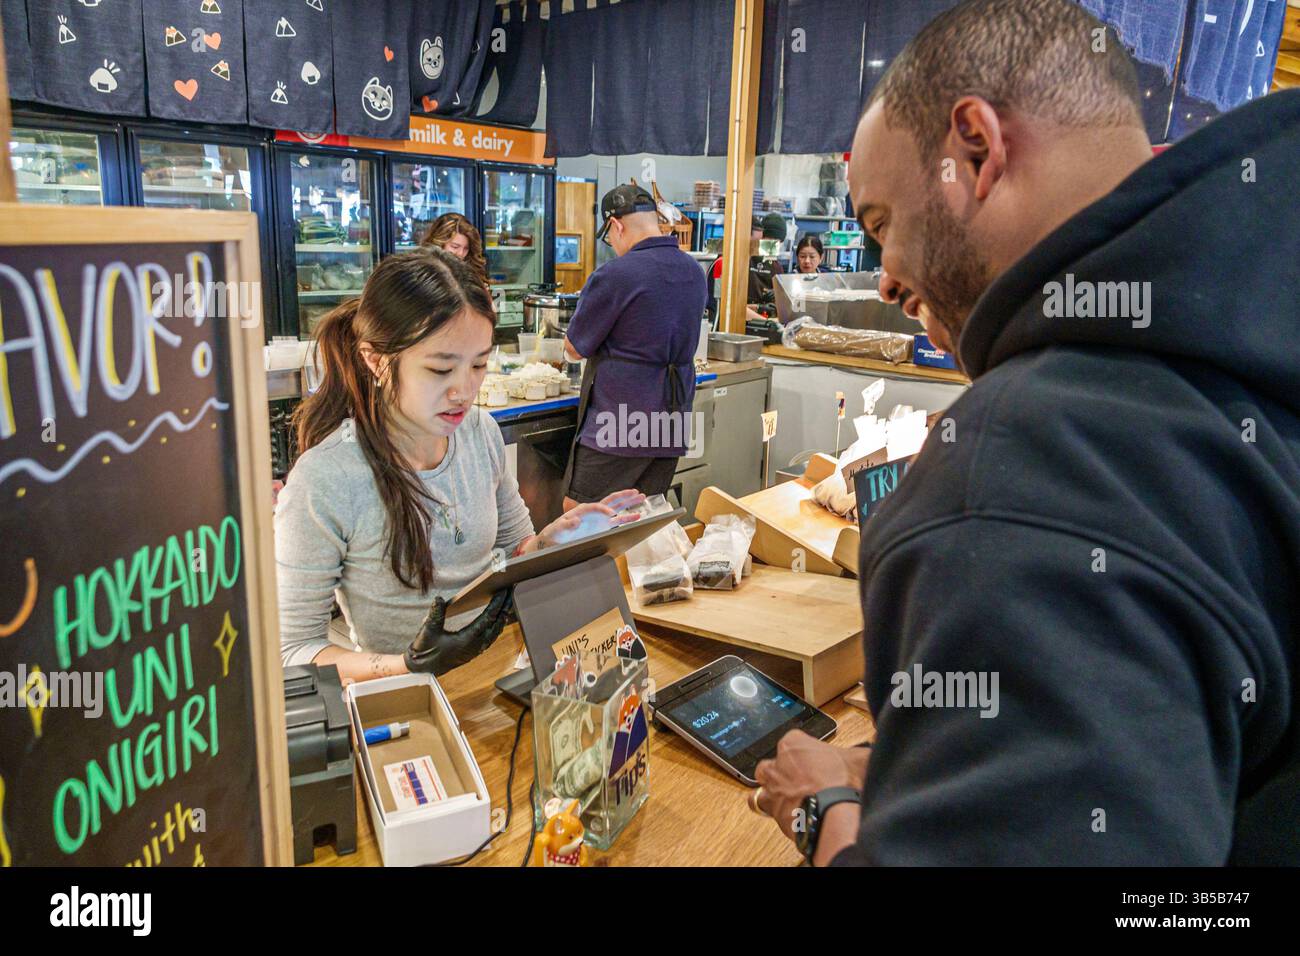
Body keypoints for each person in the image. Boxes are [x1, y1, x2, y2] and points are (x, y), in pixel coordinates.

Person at [754, 0, 1300, 865]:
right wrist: (952, 769)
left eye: (880, 224)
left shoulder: (1023, 464)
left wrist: (827, 816)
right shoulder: (1245, 349)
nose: (887, 279)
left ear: (975, 147)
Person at [277, 250, 643, 683]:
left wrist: (552, 541)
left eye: (479, 365)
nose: (464, 391)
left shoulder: (480, 433)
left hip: (500, 672)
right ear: (376, 360)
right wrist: (410, 664)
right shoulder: (327, 478)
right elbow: (294, 650)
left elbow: (513, 550)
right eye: (440, 369)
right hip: (405, 698)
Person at [561, 184, 707, 508]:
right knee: (644, 514)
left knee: (579, 515)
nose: (612, 245)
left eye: (609, 236)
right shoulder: (695, 272)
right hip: (673, 419)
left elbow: (574, 349)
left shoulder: (617, 274)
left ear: (617, 225)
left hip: (620, 423)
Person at [422, 212, 490, 291]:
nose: (461, 253)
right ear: (438, 244)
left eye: (466, 248)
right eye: (455, 247)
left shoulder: (471, 270)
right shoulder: (423, 274)